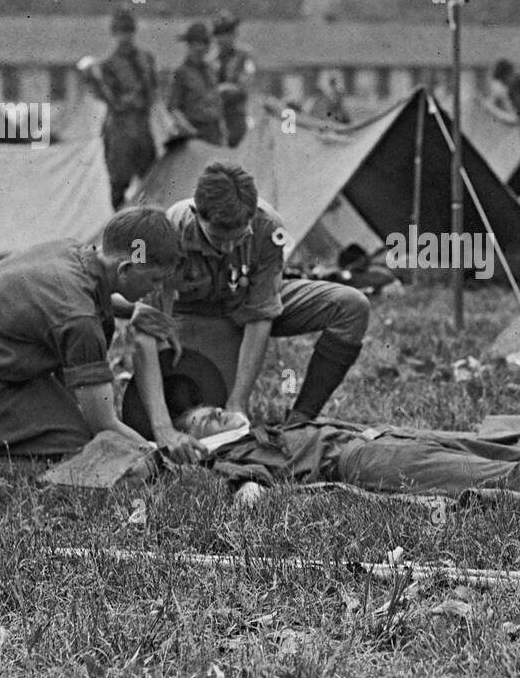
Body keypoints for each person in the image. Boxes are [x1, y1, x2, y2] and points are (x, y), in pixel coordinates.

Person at [123, 349, 520, 508]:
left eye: (207, 408)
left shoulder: (256, 427)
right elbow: (248, 496)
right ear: (192, 439)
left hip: (384, 437)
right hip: (367, 463)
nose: (214, 413)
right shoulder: (228, 460)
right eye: (200, 420)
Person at [124, 162, 370, 463]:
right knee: (205, 415)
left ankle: (300, 421)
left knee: (351, 306)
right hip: (193, 317)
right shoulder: (170, 229)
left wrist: (238, 402)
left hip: (247, 305)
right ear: (197, 216)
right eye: (218, 239)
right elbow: (145, 328)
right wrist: (162, 428)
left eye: (238, 239)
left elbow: (261, 314)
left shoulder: (268, 227)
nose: (229, 248)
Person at [0, 207, 181, 458]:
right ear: (125, 269)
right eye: (155, 280)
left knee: (80, 428)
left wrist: (132, 310)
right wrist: (160, 457)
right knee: (92, 450)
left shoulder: (72, 251)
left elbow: (68, 301)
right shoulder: (81, 321)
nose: (155, 290)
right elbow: (104, 426)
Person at [98, 5, 158, 209]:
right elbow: (112, 99)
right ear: (115, 34)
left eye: (129, 32)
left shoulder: (146, 60)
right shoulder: (108, 65)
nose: (126, 37)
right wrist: (130, 99)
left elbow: (153, 91)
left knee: (150, 177)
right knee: (119, 180)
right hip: (120, 129)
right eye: (121, 32)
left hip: (142, 127)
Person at [166, 21, 224, 144]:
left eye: (206, 43)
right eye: (200, 43)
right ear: (190, 45)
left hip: (214, 132)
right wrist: (188, 129)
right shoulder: (181, 72)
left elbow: (216, 100)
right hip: (194, 133)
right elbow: (173, 107)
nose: (204, 47)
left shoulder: (211, 70)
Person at [213, 10, 256, 147]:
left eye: (228, 33)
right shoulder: (211, 61)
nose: (224, 38)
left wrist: (224, 89)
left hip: (238, 114)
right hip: (216, 116)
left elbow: (245, 83)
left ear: (234, 34)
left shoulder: (244, 56)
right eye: (220, 34)